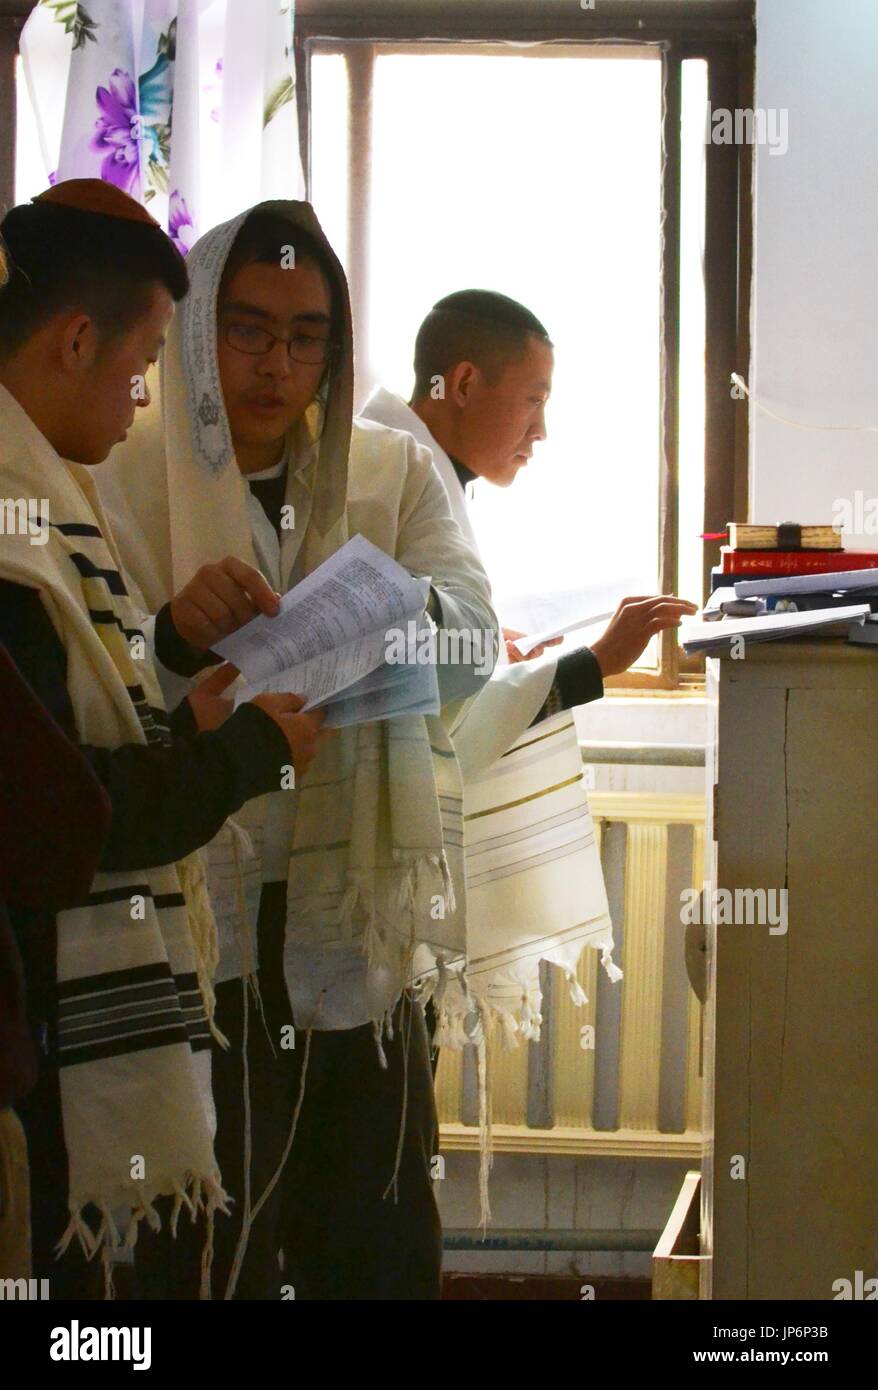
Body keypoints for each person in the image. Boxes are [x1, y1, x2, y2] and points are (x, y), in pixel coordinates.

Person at [96, 202, 499, 1299]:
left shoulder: (388, 474)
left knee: (364, 1217)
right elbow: (90, 688)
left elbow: (471, 642)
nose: (278, 364)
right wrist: (173, 634)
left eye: (307, 335)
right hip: (194, 899)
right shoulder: (117, 471)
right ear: (189, 332)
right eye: (247, 329)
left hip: (349, 902)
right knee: (207, 1218)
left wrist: (368, 609)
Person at [0, 180, 327, 1297]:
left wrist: (182, 703)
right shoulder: (14, 531)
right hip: (31, 1002)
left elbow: (69, 735)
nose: (144, 397)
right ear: (76, 338)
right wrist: (243, 756)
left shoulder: (44, 497)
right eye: (141, 362)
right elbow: (69, 818)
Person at [362, 290, 697, 1067]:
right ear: (466, 382)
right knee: (389, 1131)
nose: (541, 430)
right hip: (372, 876)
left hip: (390, 872)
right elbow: (423, 710)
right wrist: (592, 664)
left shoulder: (416, 468)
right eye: (534, 400)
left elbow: (430, 660)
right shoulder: (385, 474)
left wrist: (488, 645)